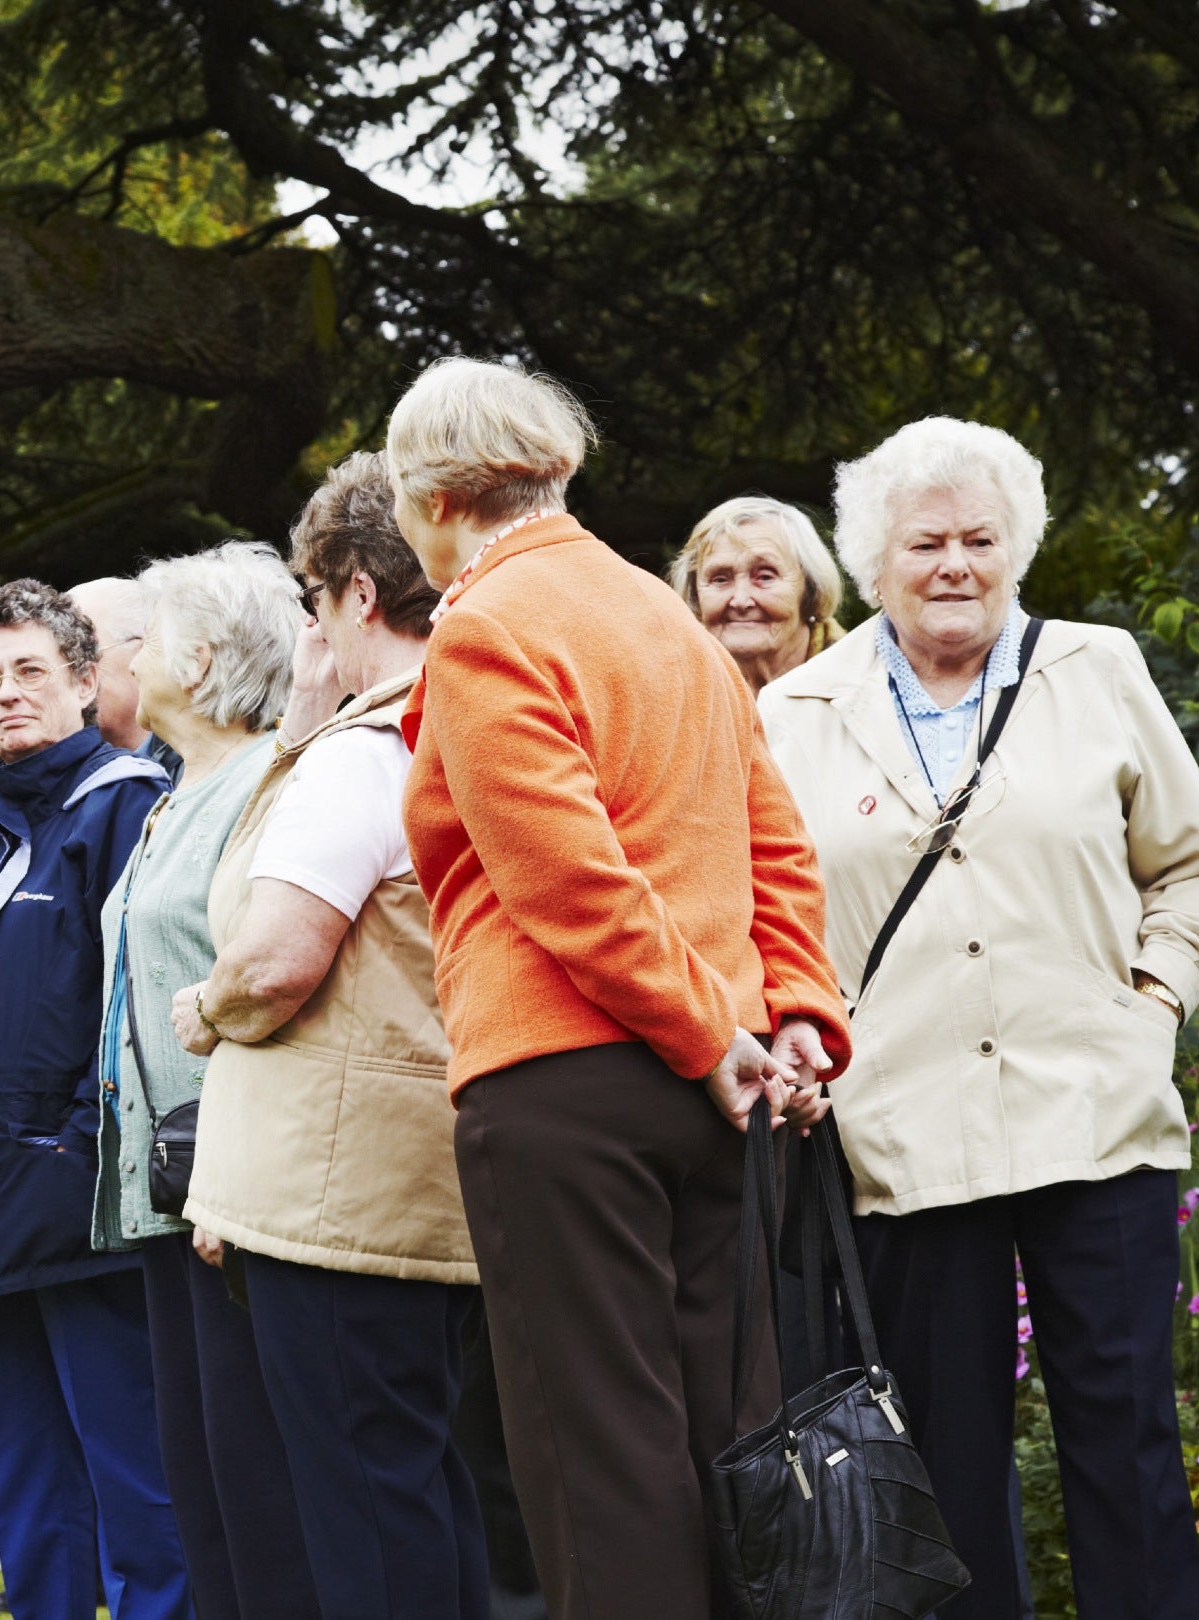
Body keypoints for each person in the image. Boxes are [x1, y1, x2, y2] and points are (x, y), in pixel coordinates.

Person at [387, 356, 855, 1620]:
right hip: (720, 1090)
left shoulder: (487, 625)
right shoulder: (670, 622)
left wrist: (712, 1036)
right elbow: (776, 847)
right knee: (728, 1442)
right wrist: (791, 1019)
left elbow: (564, 879)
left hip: (569, 1082)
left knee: (598, 1460)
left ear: (432, 495)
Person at [755, 417, 1199, 1620]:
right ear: (874, 557)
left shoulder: (1096, 668)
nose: (955, 565)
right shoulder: (796, 709)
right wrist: (795, 1029)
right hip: (903, 1131)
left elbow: (1196, 868)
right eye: (927, 542)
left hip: (1096, 1112)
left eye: (981, 538)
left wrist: (1151, 1001)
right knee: (945, 1465)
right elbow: (761, 913)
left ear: (1018, 546)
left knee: (1127, 1443)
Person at [171, 450, 489, 1620]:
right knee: (416, 1478)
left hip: (338, 1202)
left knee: (361, 1501)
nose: (315, 627)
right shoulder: (453, 723)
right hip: (405, 1181)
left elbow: (275, 958)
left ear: (358, 590)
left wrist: (201, 1010)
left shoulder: (365, 760)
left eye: (317, 599)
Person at [0, 579, 188, 1620]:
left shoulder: (130, 809)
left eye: (28, 672)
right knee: (32, 1499)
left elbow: (135, 1022)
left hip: (90, 1219)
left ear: (84, 681)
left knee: (141, 1493)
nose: (5, 694)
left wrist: (69, 1158)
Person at [81, 542, 313, 1620]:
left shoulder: (267, 789)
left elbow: (282, 992)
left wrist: (228, 1169)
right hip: (164, 1199)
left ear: (206, 653)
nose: (121, 655)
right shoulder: (178, 794)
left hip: (235, 1195)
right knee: (201, 1494)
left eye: (148, 632)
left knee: (260, 1501)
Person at [667, 495, 847, 691]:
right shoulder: (670, 683)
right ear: (695, 596)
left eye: (765, 577)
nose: (741, 600)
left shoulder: (859, 677)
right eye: (720, 579)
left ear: (810, 589)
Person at [71, 576, 184, 780]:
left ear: (147, 648)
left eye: (80, 654)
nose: (65, 676)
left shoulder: (207, 762)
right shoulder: (61, 786)